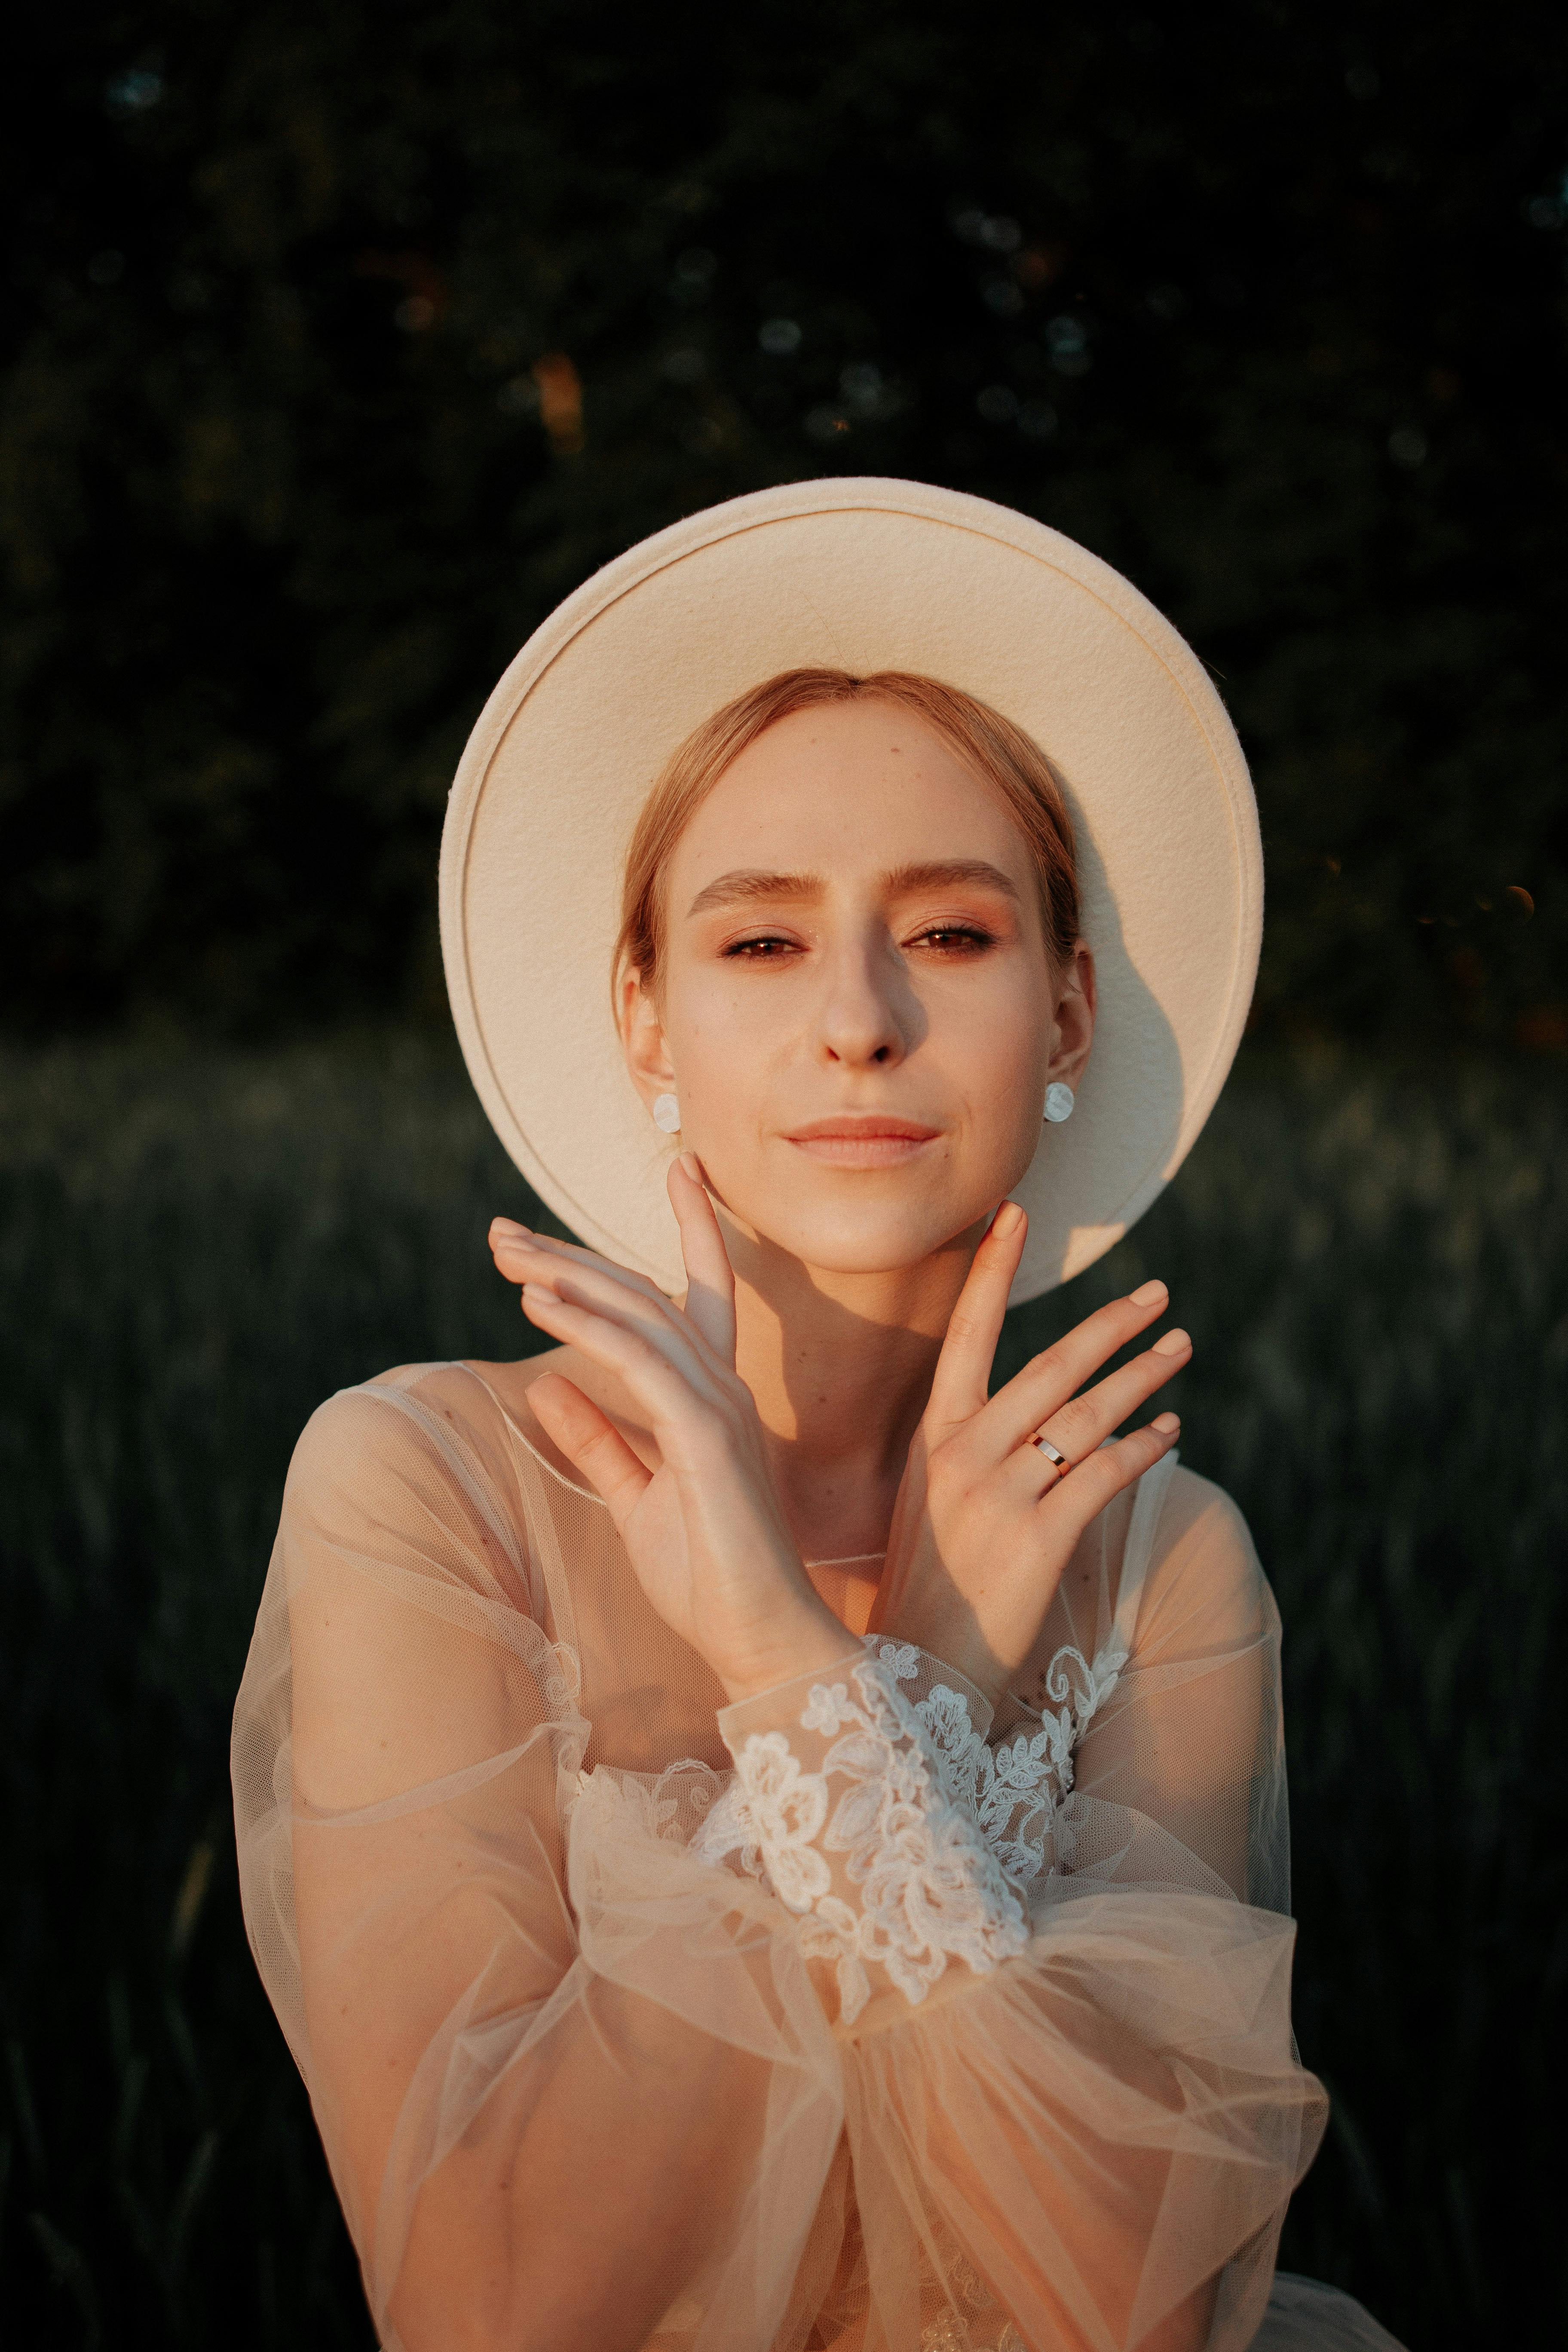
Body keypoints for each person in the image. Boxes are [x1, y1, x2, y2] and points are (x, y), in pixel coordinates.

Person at [233, 481, 1405, 2351]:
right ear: (644, 1013)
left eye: (950, 935)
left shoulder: (1162, 1562)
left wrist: (809, 1674)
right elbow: (490, 2306)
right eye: (760, 943)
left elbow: (1133, 2318)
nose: (859, 1019)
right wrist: (911, 1679)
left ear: (1072, 1004)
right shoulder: (425, 1487)